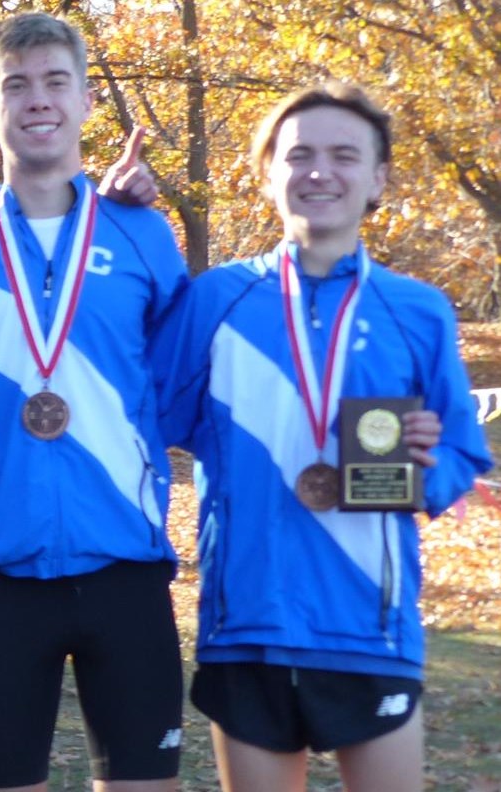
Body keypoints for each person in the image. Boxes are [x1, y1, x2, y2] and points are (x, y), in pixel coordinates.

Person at [151, 82, 492, 792]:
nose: (319, 171)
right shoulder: (216, 299)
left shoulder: (417, 310)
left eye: (344, 155)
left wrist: (425, 469)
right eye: (298, 154)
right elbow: (151, 419)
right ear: (269, 171)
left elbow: (463, 455)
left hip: (369, 624)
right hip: (247, 623)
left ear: (378, 179)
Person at [0, 12, 189, 792]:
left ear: (87, 99)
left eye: (57, 81)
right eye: (14, 84)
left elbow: (184, 386)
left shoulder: (143, 234)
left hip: (126, 564)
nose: (38, 100)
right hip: (0, 577)